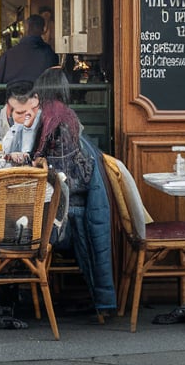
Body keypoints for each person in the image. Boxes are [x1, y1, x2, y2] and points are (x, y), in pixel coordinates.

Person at [27, 67, 116, 316]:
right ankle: (101, 303)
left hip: (66, 207)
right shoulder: (66, 115)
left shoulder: (51, 118)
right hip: (78, 201)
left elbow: (58, 171)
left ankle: (19, 293)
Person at [0, 14, 59, 85]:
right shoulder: (50, 55)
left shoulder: (8, 55)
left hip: (13, 97)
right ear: (43, 30)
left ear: (26, 28)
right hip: (42, 98)